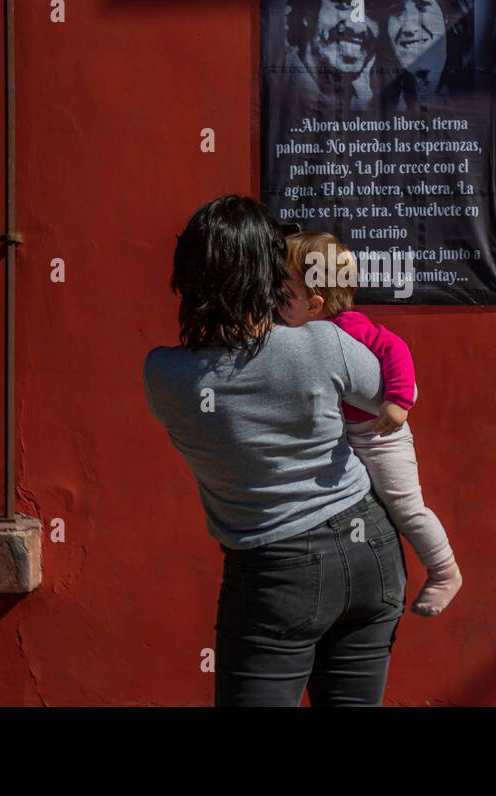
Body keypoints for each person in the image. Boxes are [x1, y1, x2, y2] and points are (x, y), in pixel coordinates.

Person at [144, 195, 408, 706]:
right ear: (269, 274)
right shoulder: (322, 344)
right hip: (369, 547)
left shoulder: (165, 376)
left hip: (275, 568)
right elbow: (385, 393)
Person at [281, 230, 463, 616]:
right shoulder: (297, 332)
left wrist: (398, 401)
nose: (275, 306)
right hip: (350, 439)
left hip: (383, 439)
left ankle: (444, 569)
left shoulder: (351, 328)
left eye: (284, 299)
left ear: (314, 305)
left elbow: (395, 348)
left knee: (406, 506)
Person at [281, 0, 382, 114]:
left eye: (370, 7)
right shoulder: (278, 97)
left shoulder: (366, 105)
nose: (358, 27)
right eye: (342, 2)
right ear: (307, 11)